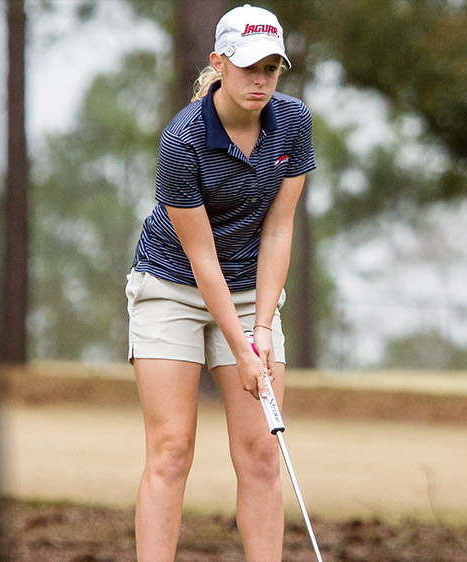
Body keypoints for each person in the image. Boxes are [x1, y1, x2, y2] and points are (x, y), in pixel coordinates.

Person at [125, 4, 315, 560]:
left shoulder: (294, 123)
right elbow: (201, 256)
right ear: (219, 63)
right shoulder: (181, 141)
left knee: (260, 454)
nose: (260, 81)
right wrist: (242, 346)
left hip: (252, 284)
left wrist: (259, 329)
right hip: (172, 287)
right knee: (170, 450)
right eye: (249, 66)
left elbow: (279, 231)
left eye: (272, 69)